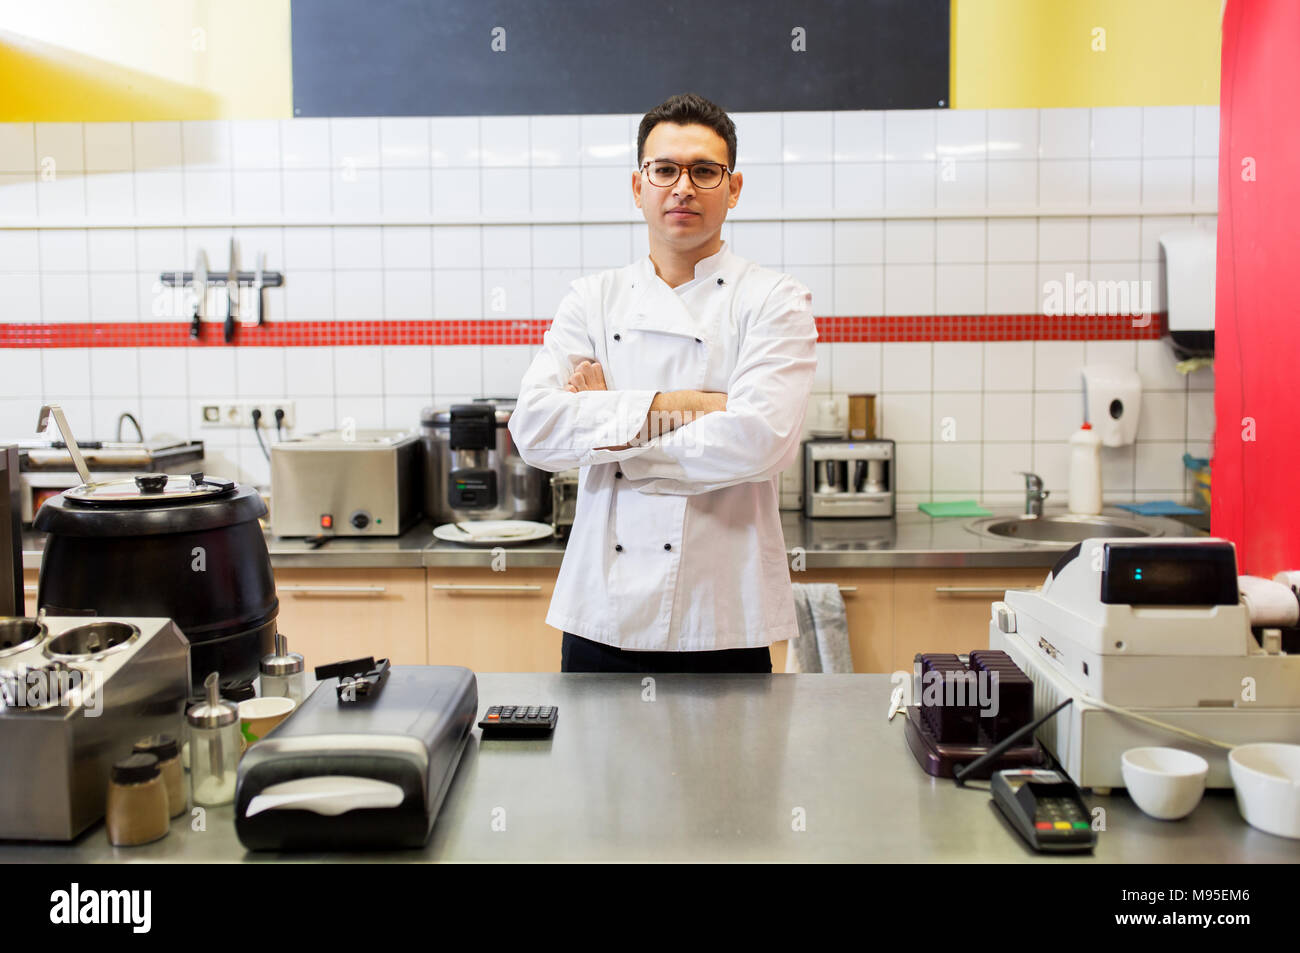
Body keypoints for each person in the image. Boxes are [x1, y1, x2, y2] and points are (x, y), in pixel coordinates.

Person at [507, 92, 817, 673]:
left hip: (722, 613)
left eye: (705, 171)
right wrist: (693, 406)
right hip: (601, 613)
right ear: (638, 185)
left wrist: (610, 432)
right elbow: (533, 430)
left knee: (731, 769)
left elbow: (760, 439)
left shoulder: (775, 301)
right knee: (599, 767)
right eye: (666, 169)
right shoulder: (591, 299)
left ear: (733, 187)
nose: (683, 187)